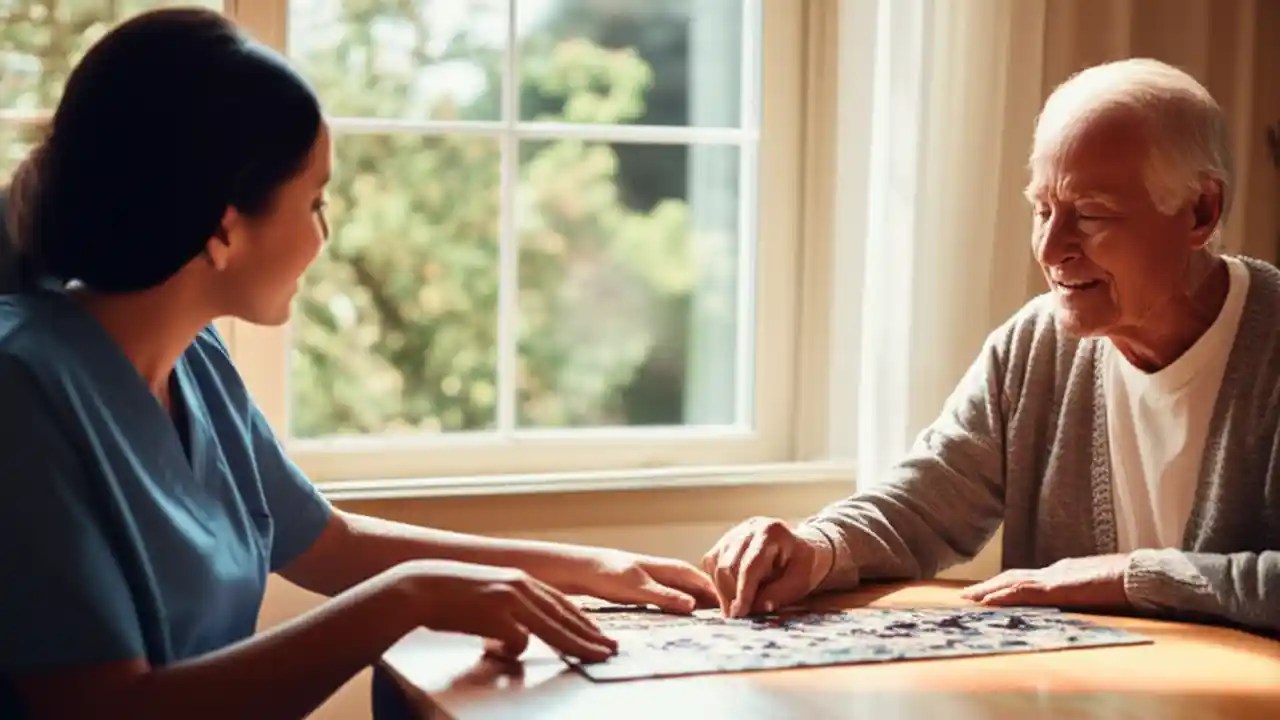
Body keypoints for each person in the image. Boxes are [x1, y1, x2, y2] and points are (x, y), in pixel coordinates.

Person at [0, 9, 716, 719]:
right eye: (314, 202)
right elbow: (107, 709)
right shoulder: (22, 391)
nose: (324, 234)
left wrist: (587, 570)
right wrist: (410, 597)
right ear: (223, 227)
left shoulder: (196, 360)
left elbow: (324, 542)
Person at [703, 58, 1280, 634]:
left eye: (1091, 214)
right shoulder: (1034, 345)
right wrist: (814, 546)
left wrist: (1130, 576)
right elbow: (924, 504)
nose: (1052, 250)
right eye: (1042, 210)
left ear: (1200, 212)